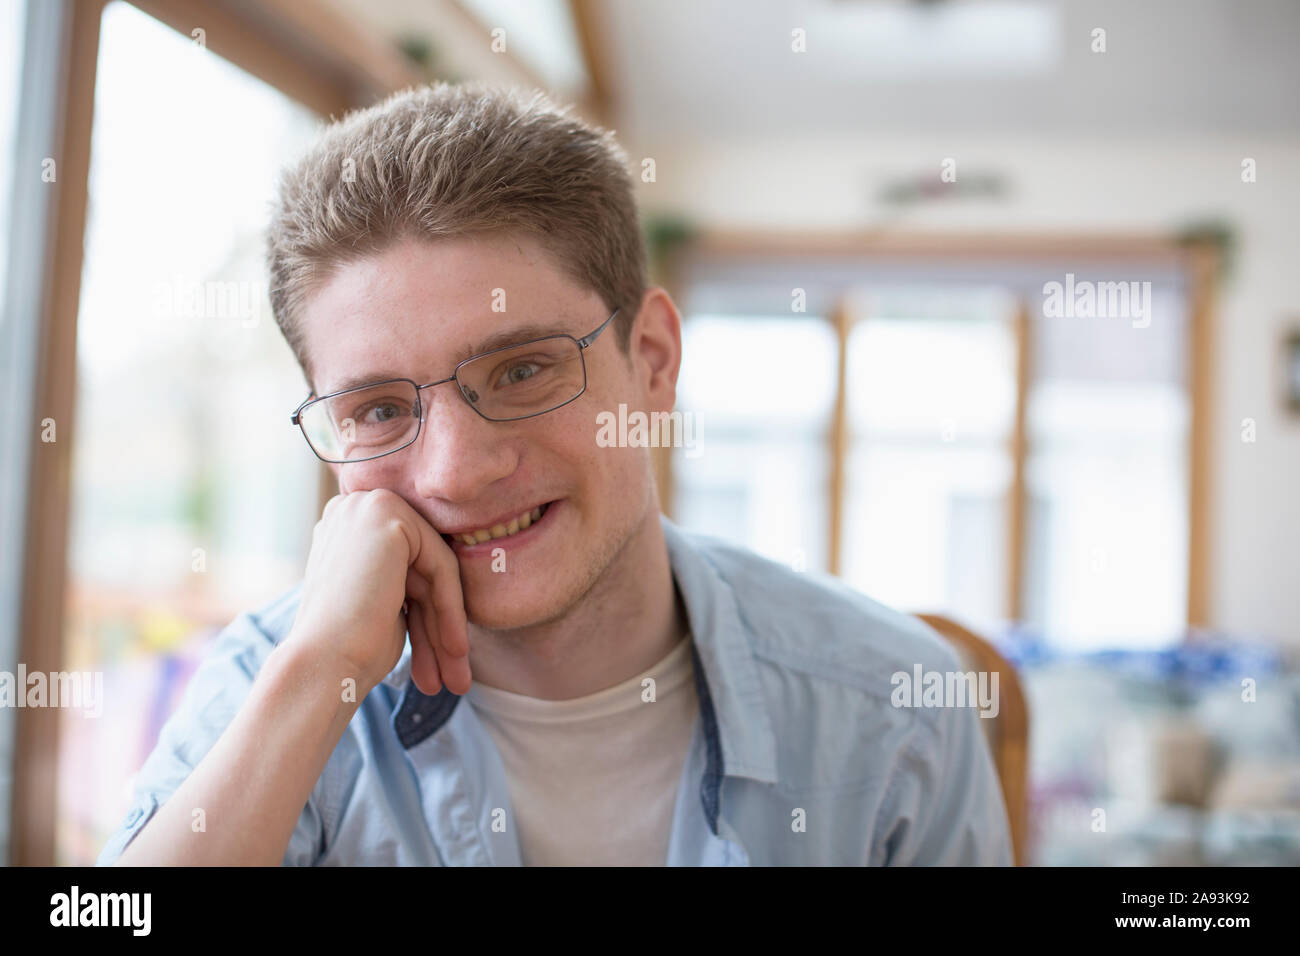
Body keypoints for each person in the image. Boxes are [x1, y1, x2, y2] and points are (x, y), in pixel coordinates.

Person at [97, 81, 1013, 866]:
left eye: (523, 370)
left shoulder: (894, 711)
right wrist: (319, 675)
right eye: (379, 409)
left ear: (651, 361)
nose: (455, 471)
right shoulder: (276, 680)